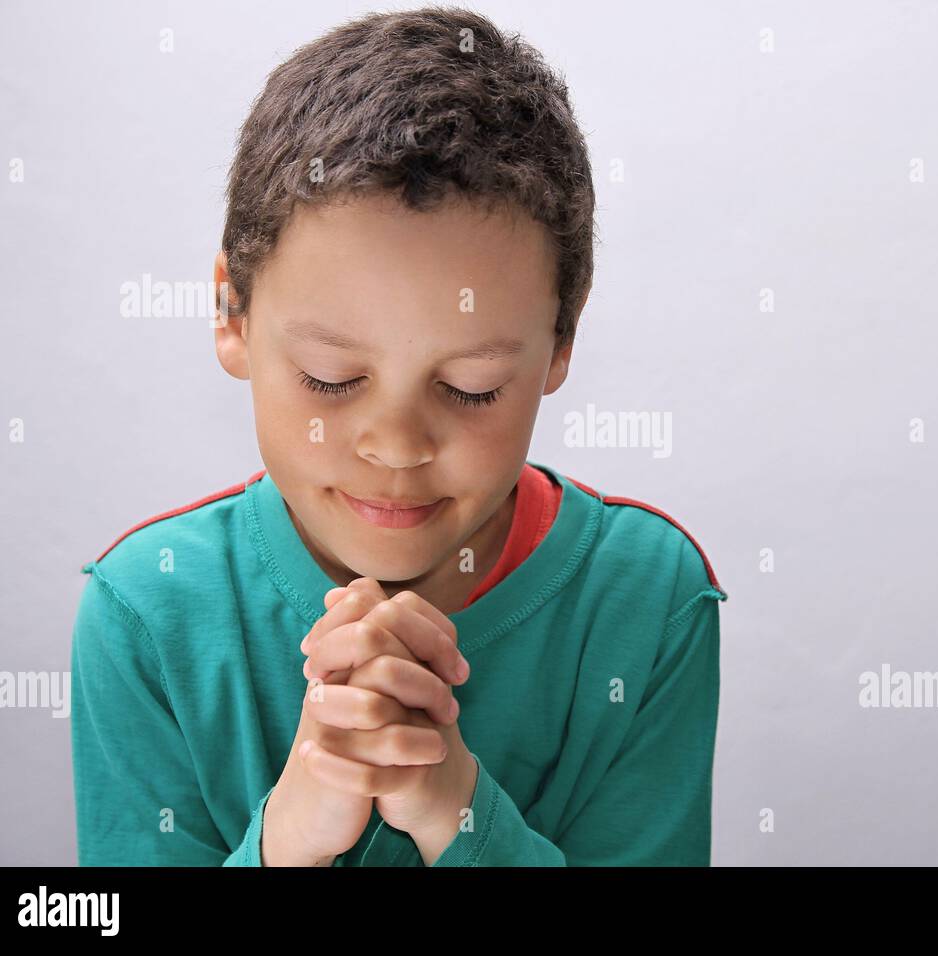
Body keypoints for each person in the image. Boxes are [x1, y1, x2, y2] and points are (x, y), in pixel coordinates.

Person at [70, 6, 726, 867]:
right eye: (330, 379)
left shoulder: (647, 602)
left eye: (471, 388)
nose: (395, 448)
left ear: (561, 342)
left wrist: (456, 809)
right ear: (232, 311)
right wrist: (287, 839)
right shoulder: (147, 614)